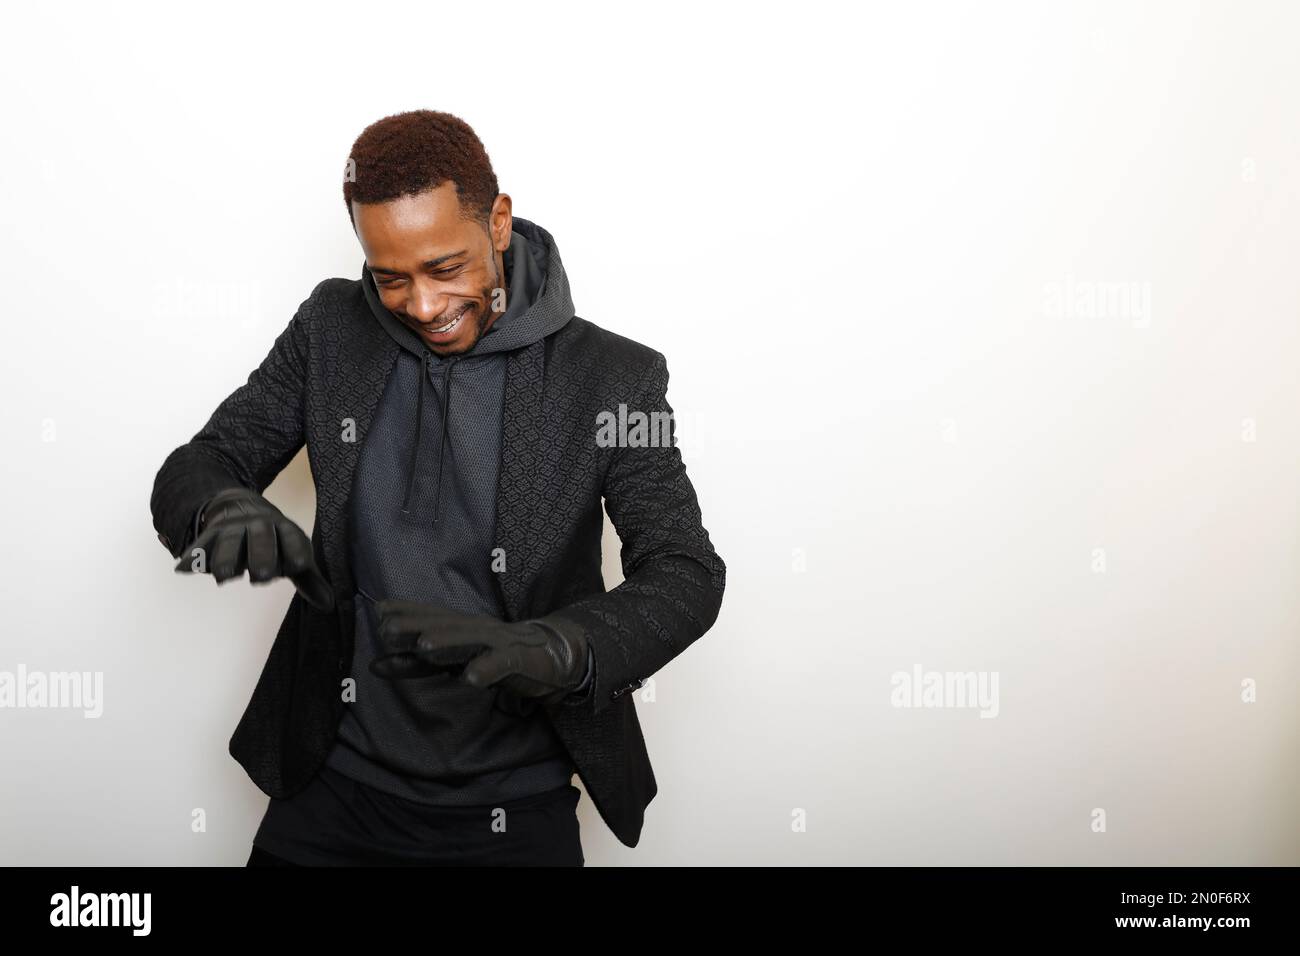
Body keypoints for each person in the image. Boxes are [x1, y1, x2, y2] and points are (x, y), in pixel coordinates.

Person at [150, 109, 726, 865]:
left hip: (515, 806)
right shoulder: (331, 329)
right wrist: (214, 505)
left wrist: (565, 648)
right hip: (331, 784)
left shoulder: (613, 381)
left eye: (445, 269)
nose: (422, 306)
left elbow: (686, 571)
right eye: (391, 278)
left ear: (498, 222)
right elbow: (207, 459)